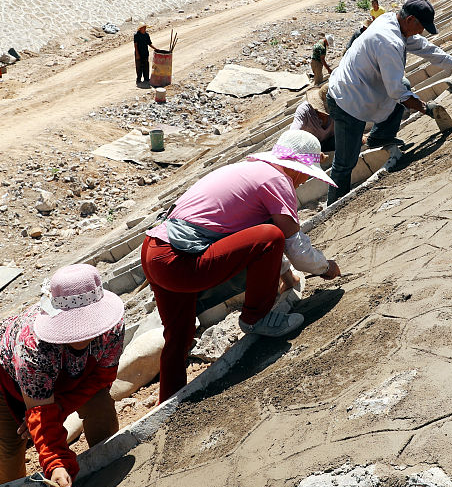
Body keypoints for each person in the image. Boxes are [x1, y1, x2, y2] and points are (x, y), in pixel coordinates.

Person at [141, 130, 341, 401]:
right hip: (180, 260)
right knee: (270, 236)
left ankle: (169, 400)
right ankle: (256, 317)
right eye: (307, 173)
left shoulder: (249, 172)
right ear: (294, 168)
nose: (305, 180)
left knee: (179, 335)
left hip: (155, 250)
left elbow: (243, 233)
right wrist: (325, 267)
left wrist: (284, 275)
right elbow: (291, 244)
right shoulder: (277, 180)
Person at [0, 264, 125, 487]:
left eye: (88, 325)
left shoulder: (111, 329)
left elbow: (102, 377)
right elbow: (40, 413)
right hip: (7, 369)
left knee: (99, 403)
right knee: (11, 439)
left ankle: (108, 462)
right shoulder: (32, 348)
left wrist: (60, 406)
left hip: (71, 375)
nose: (82, 334)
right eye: (73, 326)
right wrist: (56, 465)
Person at [326, 0, 452, 204]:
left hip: (363, 88)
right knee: (345, 162)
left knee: (404, 85)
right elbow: (396, 92)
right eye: (421, 26)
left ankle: (380, 137)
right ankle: (334, 204)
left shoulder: (395, 22)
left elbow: (424, 47)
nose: (421, 32)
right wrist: (425, 109)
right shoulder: (389, 41)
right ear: (411, 19)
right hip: (348, 100)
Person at [291, 85, 335, 153]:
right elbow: (294, 132)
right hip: (309, 147)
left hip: (329, 142)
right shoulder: (304, 110)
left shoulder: (338, 111)